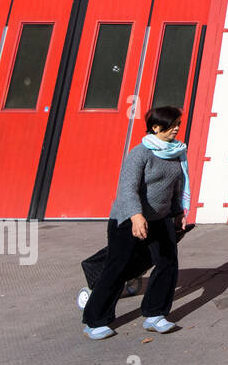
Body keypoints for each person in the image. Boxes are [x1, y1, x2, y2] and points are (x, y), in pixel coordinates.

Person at [81, 105, 190, 340]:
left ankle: (155, 315)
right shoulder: (140, 153)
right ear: (156, 127)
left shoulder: (177, 152)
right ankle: (94, 320)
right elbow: (127, 189)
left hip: (160, 219)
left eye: (178, 124)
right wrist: (136, 215)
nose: (177, 129)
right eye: (172, 125)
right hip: (127, 218)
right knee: (118, 267)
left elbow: (177, 186)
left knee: (167, 263)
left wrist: (179, 212)